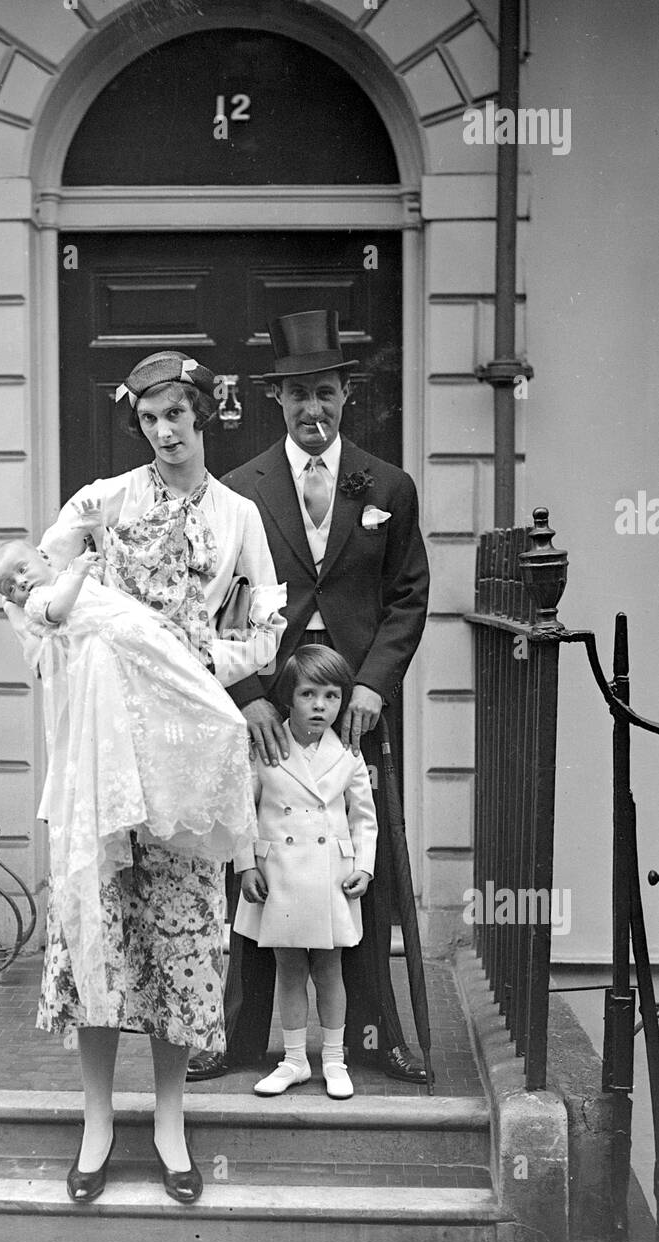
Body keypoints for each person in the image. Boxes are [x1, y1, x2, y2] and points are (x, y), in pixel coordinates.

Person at [31, 350, 285, 1197]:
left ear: (205, 414)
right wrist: (78, 623)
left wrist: (199, 653)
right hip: (105, 744)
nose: (166, 431)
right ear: (135, 421)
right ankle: (98, 1122)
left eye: (179, 414)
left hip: (181, 746)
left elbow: (261, 622)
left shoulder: (239, 515)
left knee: (178, 933)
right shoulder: (103, 501)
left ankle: (171, 1121)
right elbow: (35, 583)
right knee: (97, 929)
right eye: (150, 417)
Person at [221, 310, 431, 1085]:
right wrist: (249, 693)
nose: (313, 409)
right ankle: (243, 1038)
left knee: (359, 865)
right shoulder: (241, 491)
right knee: (253, 860)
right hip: (269, 712)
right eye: (298, 395)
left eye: (326, 393)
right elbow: (221, 604)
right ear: (277, 400)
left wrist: (373, 683)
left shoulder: (386, 486)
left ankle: (374, 1035)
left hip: (355, 710)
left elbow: (408, 595)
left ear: (347, 395)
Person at [234, 647, 377, 1100]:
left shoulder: (349, 754)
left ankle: (333, 1058)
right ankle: (294, 1059)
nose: (320, 705)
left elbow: (363, 819)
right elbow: (243, 812)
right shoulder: (266, 749)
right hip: (279, 874)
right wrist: (245, 865)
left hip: (331, 876)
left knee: (330, 968)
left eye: (332, 696)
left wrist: (366, 868)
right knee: (289, 969)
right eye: (308, 694)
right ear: (288, 699)